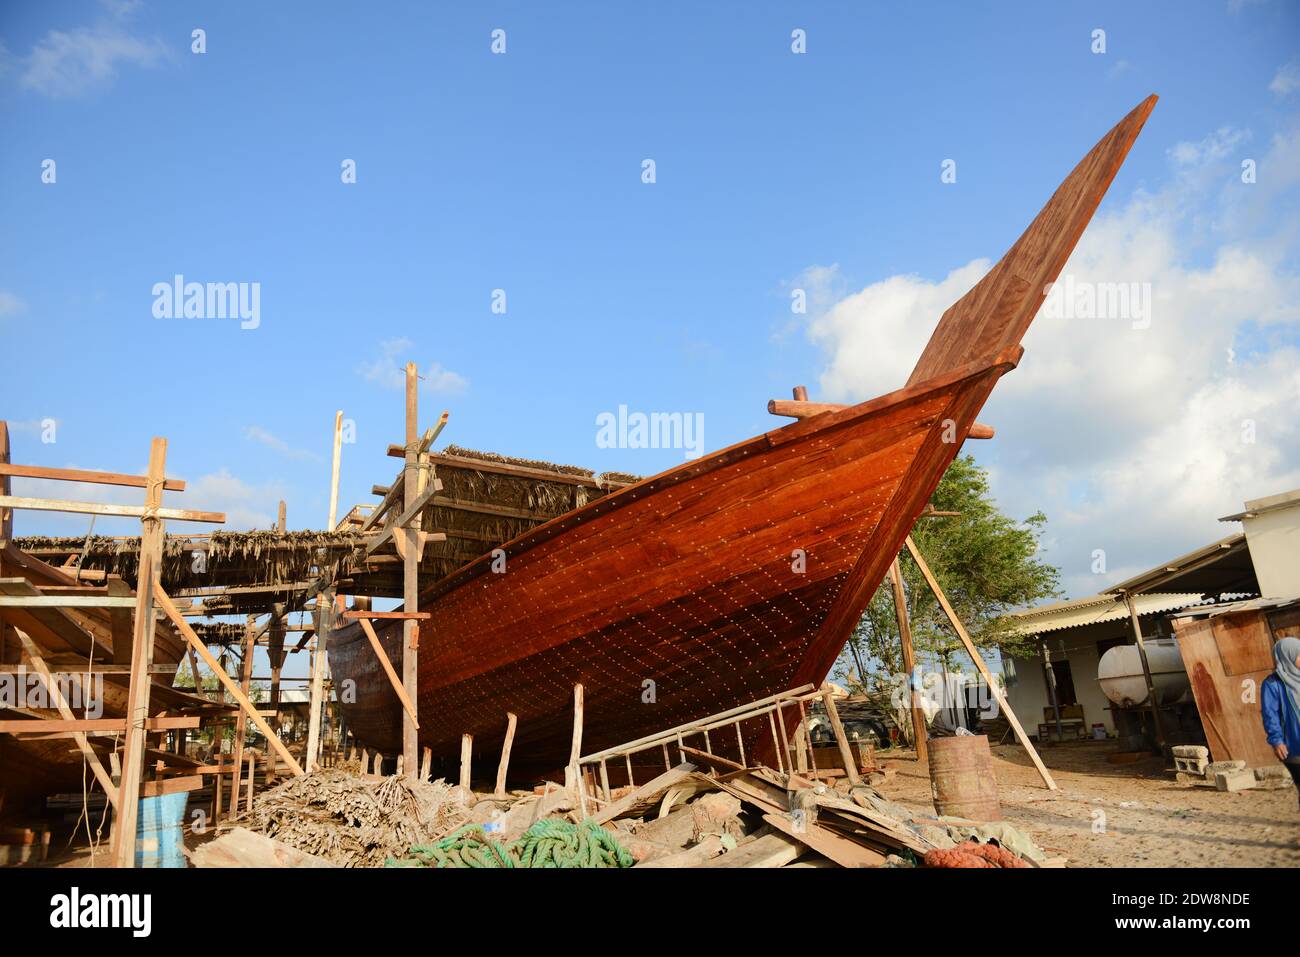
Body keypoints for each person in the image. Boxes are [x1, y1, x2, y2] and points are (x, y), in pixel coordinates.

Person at [1261, 635, 1300, 808]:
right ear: (1287, 657)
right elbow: (1270, 715)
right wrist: (1276, 740)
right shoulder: (1272, 684)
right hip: (1293, 746)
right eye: (1299, 655)